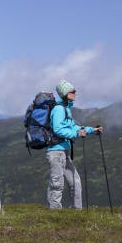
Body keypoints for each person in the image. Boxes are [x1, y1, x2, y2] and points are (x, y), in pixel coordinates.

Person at [47, 79, 103, 209]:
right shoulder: (59, 109)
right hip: (55, 152)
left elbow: (74, 128)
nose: (75, 93)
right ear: (65, 93)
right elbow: (58, 129)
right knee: (57, 184)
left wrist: (91, 130)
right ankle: (54, 214)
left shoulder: (66, 109)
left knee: (75, 182)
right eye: (73, 91)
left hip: (64, 152)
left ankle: (76, 212)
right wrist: (77, 134)